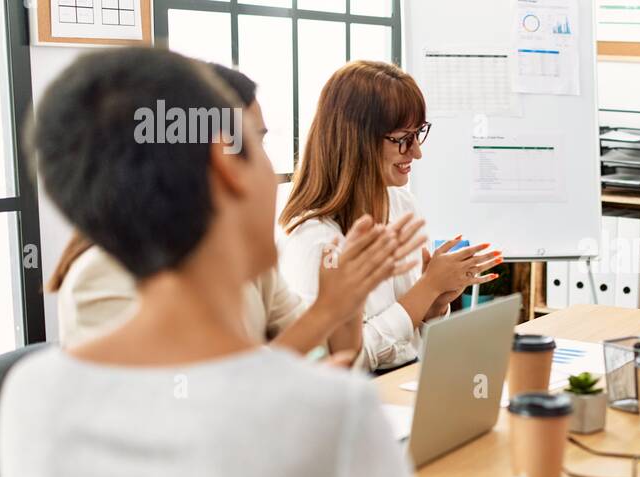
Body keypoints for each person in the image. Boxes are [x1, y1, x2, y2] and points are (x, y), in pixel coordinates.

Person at [0, 48, 418, 477]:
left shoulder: (26, 393)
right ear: (225, 165)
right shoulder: (331, 412)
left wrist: (343, 304)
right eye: (256, 145)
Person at [47, 64, 417, 365]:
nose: (268, 164)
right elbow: (201, 403)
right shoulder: (101, 277)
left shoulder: (249, 265)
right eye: (252, 143)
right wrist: (327, 310)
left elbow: (329, 361)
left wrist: (346, 302)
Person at [278, 61, 502, 371]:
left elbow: (411, 345)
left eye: (418, 134)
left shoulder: (402, 205)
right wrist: (427, 289)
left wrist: (435, 303)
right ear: (356, 139)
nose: (416, 152)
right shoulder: (313, 239)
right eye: (402, 139)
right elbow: (335, 364)